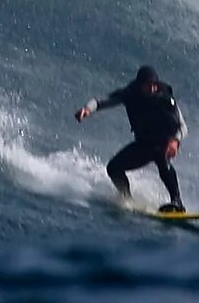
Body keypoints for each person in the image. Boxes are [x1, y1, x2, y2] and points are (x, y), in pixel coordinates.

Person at [75, 65, 187, 210]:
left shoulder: (165, 97)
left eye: (154, 85)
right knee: (113, 168)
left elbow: (183, 127)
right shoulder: (130, 94)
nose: (152, 88)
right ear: (140, 85)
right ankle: (126, 198)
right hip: (143, 144)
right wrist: (87, 109)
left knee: (161, 158)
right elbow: (101, 101)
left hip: (164, 142)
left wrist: (175, 141)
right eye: (148, 85)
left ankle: (177, 202)